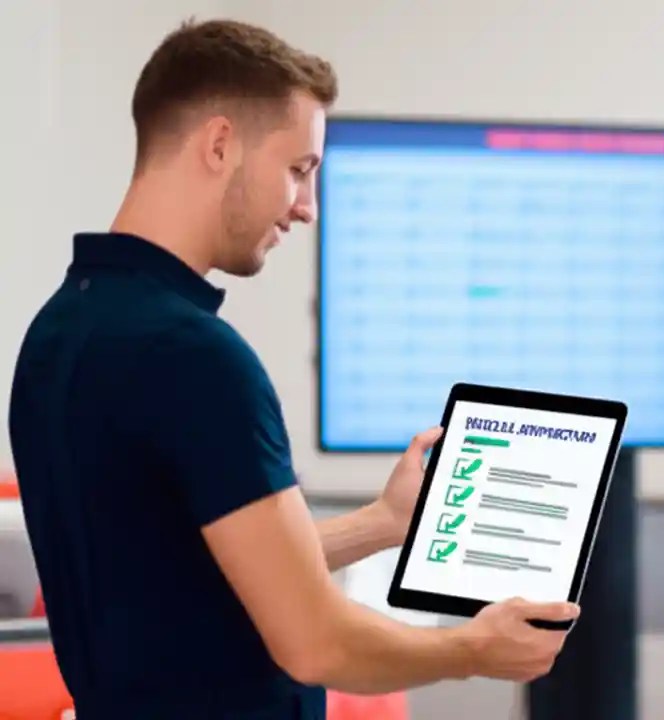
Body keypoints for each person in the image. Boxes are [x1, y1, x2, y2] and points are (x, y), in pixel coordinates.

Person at [6, 18, 577, 719]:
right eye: (298, 171)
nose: (306, 207)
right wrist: (473, 650)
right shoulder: (194, 358)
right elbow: (317, 643)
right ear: (220, 145)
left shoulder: (61, 329)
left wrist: (382, 522)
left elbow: (189, 566)